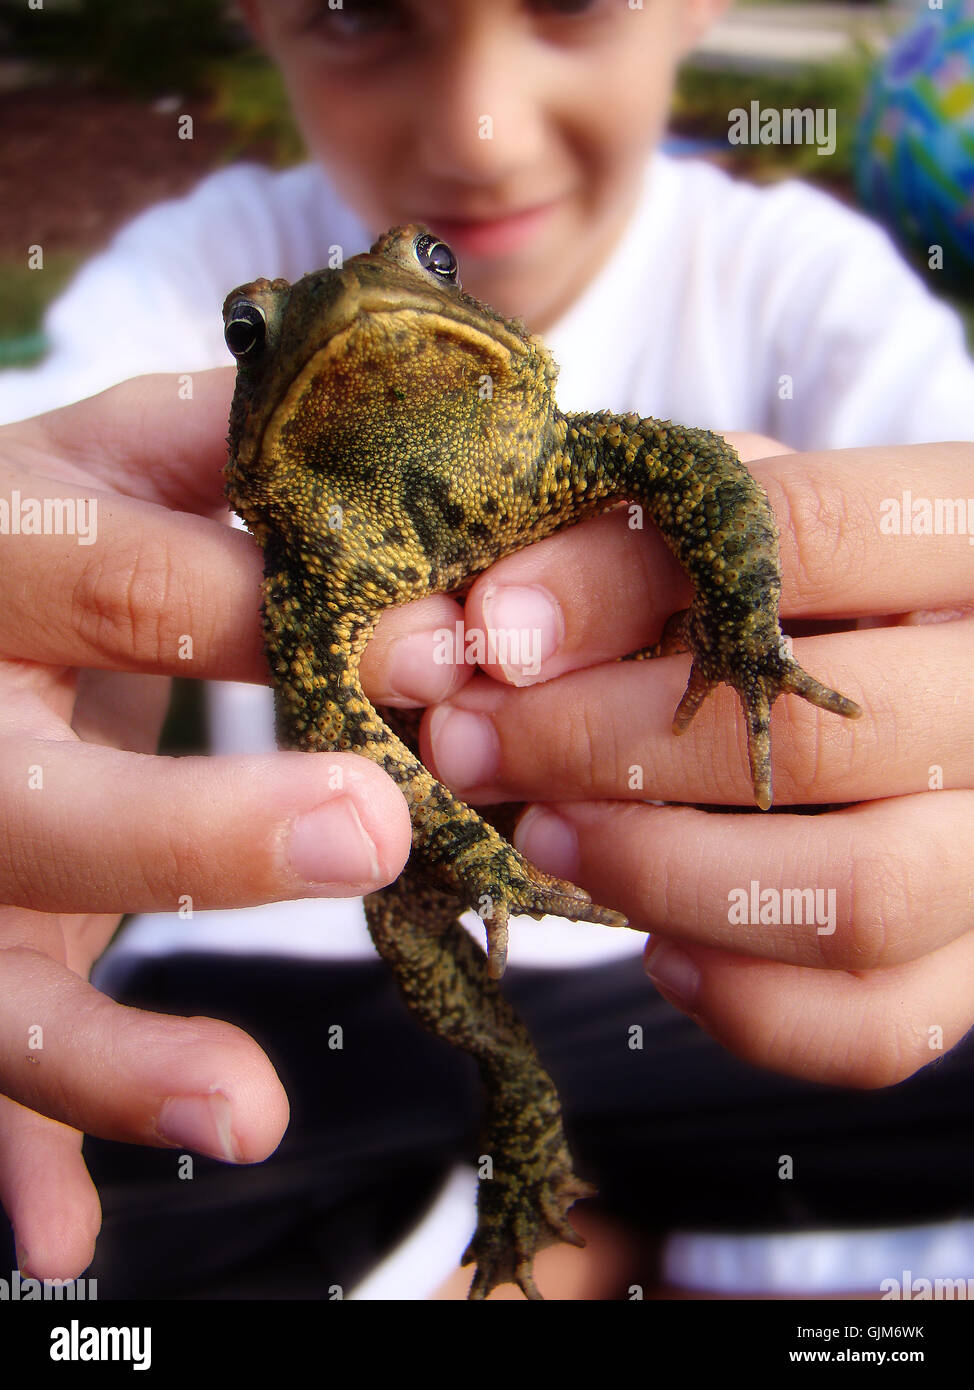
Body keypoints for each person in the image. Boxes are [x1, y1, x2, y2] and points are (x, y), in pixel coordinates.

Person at [0, 0, 972, 1299]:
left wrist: (755, 625)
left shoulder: (794, 301)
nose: (481, 128)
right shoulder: (196, 316)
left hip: (706, 951)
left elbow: (685, 463)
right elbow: (49, 486)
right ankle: (557, 1229)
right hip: (341, 966)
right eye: (358, 16)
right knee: (85, 1250)